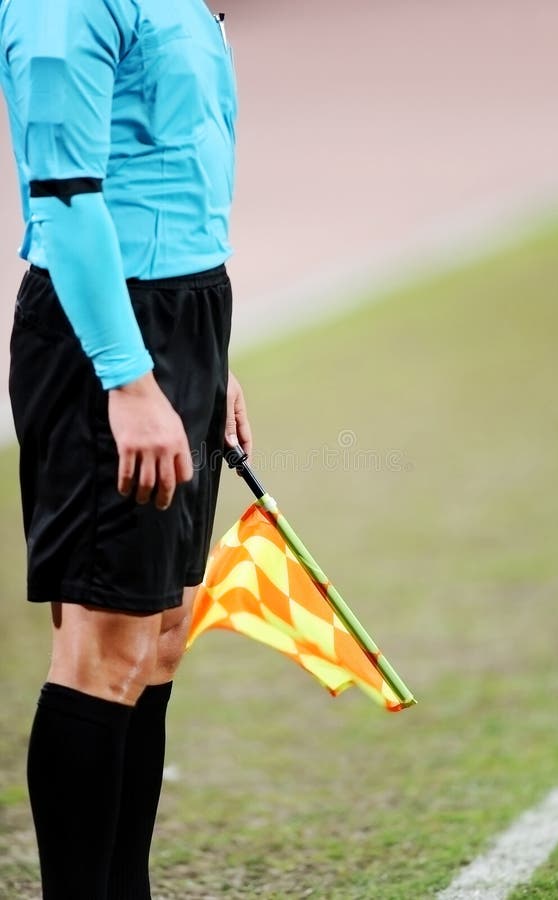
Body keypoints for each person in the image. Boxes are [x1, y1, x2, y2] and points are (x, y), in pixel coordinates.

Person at [0, 1, 251, 897]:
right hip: (105, 337)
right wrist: (130, 378)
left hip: (180, 320)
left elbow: (185, 173)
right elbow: (65, 200)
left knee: (162, 638)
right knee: (104, 647)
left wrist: (210, 365)